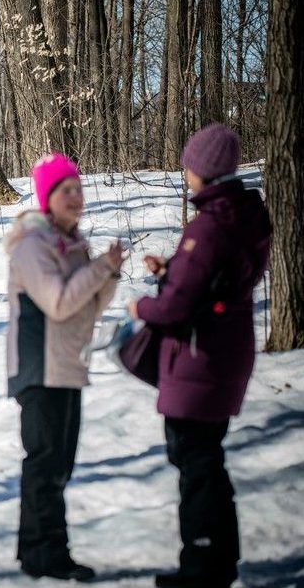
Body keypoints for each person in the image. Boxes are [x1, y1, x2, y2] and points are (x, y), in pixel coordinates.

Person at [127, 123, 272, 588]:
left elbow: (173, 306)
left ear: (202, 169)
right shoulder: (242, 216)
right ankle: (218, 559)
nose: (185, 170)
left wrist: (139, 306)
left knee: (195, 464)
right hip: (225, 354)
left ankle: (202, 567)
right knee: (206, 459)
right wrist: (174, 268)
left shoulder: (209, 227)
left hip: (200, 359)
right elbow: (215, 279)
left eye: (189, 162)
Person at [5, 152, 123, 581]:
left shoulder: (74, 245)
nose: (76, 197)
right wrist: (97, 270)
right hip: (38, 370)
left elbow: (88, 308)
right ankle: (46, 554)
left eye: (78, 189)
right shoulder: (32, 246)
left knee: (59, 466)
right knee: (45, 463)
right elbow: (57, 303)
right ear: (47, 197)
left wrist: (107, 276)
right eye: (65, 190)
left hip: (67, 366)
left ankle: (35, 550)